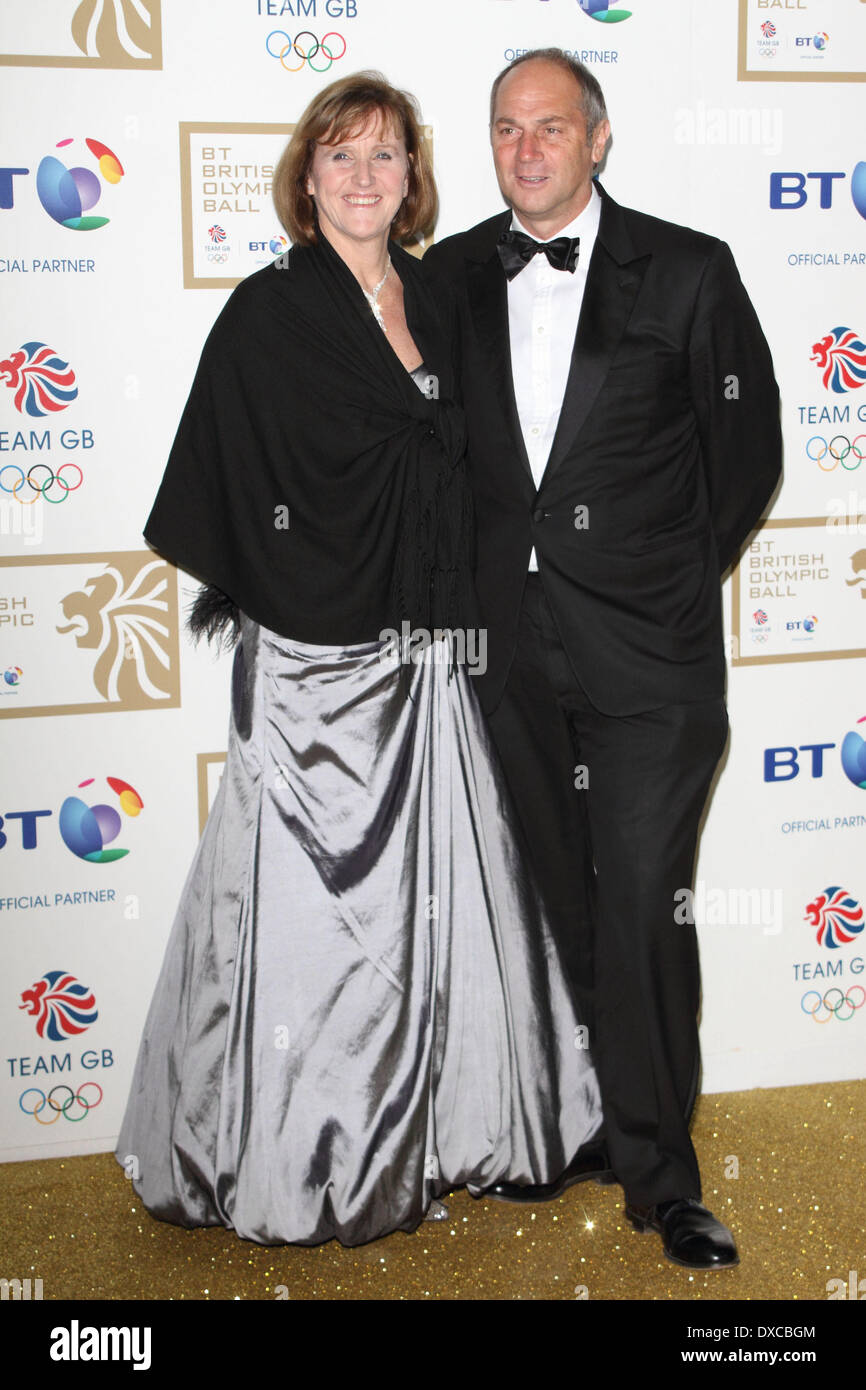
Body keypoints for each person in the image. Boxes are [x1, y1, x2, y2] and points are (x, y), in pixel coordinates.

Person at [114, 72, 603, 1248]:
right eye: (340, 156)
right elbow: (224, 489)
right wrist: (302, 618)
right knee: (312, 935)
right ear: (306, 174)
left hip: (433, 661)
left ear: (411, 177)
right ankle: (304, 1156)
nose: (363, 177)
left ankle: (435, 1131)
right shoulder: (269, 311)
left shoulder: (441, 295)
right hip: (316, 675)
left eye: (384, 156)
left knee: (424, 921)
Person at [422, 49, 782, 1269]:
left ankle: (664, 1179)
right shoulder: (456, 273)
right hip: (508, 658)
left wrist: (665, 584)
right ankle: (600, 1125)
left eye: (551, 127)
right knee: (564, 907)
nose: (527, 149)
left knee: (637, 904)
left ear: (600, 136)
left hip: (648, 671)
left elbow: (745, 459)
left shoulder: (687, 271)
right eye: (505, 129)